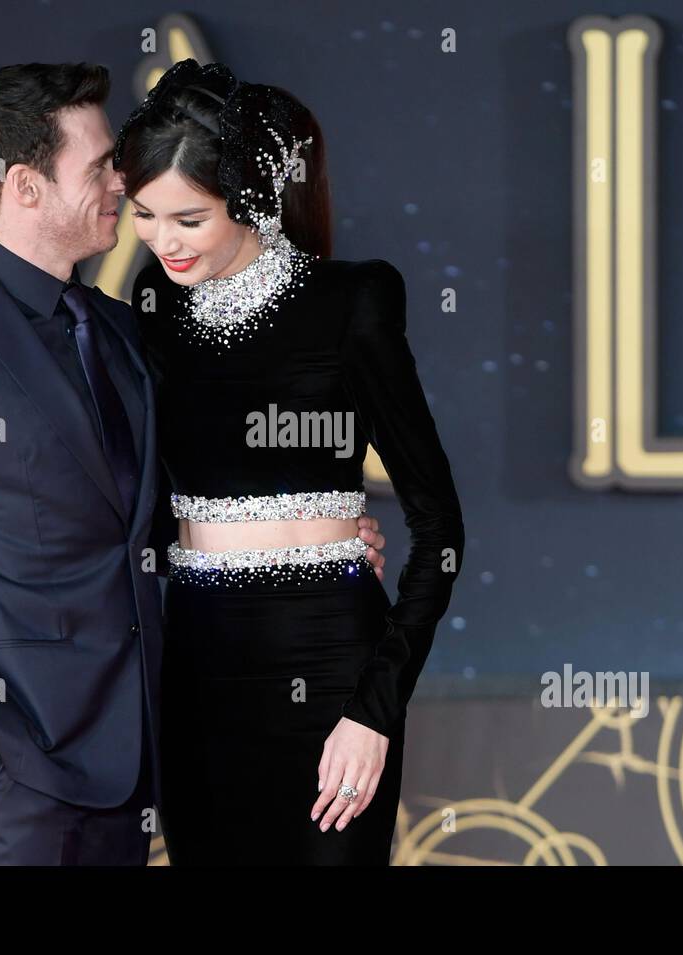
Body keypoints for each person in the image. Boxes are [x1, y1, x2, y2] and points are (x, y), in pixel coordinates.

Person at [0, 59, 391, 865]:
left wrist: (303, 541)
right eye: (100, 165)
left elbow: (144, 516)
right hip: (12, 787)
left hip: (134, 774)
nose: (124, 183)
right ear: (25, 186)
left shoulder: (121, 327)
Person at [115, 59, 465, 864]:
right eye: (144, 216)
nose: (164, 241)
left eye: (189, 219)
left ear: (247, 199)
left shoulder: (352, 302)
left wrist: (376, 709)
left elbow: (439, 523)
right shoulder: (153, 308)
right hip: (198, 663)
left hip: (328, 657)